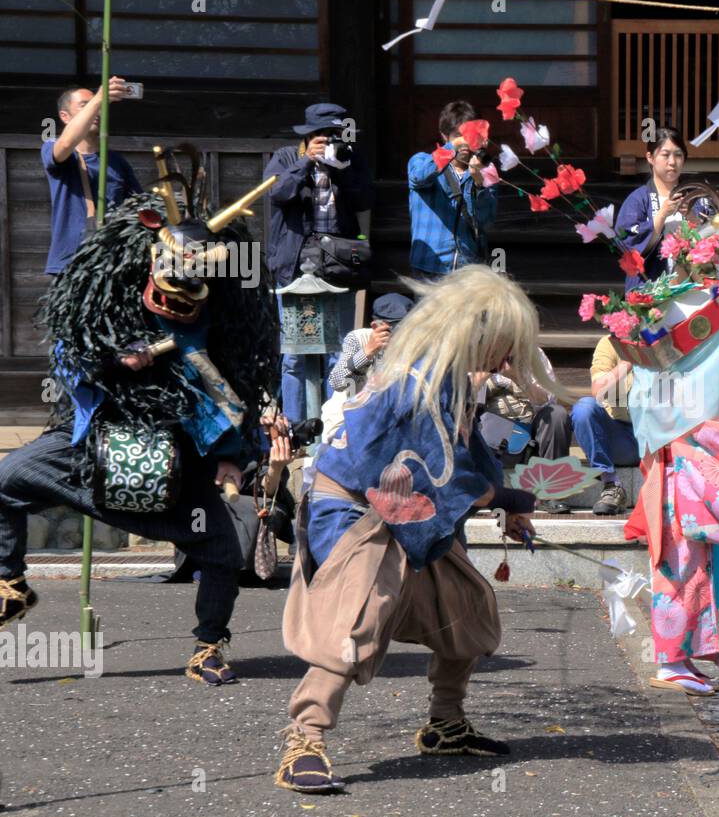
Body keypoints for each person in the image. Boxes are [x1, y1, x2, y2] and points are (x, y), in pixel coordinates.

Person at [0, 157, 280, 685]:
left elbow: (234, 391)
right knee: (7, 479)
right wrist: (114, 359)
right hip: (98, 442)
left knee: (222, 548)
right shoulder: (112, 304)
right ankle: (10, 583)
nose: (179, 298)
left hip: (180, 455)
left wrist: (230, 458)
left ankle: (208, 646)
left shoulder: (220, 326)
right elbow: (68, 357)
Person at [275, 265, 550, 794]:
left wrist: (508, 506)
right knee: (357, 619)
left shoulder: (455, 379)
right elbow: (444, 473)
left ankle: (446, 724)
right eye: (504, 344)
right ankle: (304, 737)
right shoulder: (419, 374)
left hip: (407, 506)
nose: (507, 357)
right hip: (355, 505)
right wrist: (511, 498)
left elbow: (468, 453)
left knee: (465, 607)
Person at [264, 103, 375, 422]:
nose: (330, 141)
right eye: (324, 135)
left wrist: (345, 169)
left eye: (335, 135)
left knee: (338, 352)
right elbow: (277, 194)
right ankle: (294, 429)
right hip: (296, 266)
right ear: (309, 135)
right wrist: (305, 162)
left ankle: (335, 425)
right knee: (294, 357)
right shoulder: (285, 157)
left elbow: (366, 200)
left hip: (338, 265)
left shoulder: (348, 158)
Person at [42, 80, 142, 277]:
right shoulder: (52, 147)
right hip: (69, 264)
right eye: (84, 105)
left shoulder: (116, 162)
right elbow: (67, 143)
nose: (96, 110)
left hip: (111, 264)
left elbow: (139, 207)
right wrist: (98, 98)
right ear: (65, 116)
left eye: (99, 106)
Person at [473, 349, 574, 513]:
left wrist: (517, 377)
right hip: (490, 431)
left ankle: (552, 494)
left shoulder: (534, 353)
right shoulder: (478, 351)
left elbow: (547, 399)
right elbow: (465, 399)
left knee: (556, 414)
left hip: (529, 429)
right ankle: (474, 491)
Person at [613, 126, 711, 291]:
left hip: (695, 287)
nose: (672, 162)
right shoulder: (638, 200)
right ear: (650, 157)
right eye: (665, 155)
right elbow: (627, 245)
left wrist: (692, 218)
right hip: (652, 289)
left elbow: (717, 241)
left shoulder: (697, 198)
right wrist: (661, 215)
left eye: (678, 155)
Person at [408, 101, 498, 279]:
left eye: (471, 136)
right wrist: (451, 149)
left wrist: (479, 184)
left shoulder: (486, 170)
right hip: (430, 266)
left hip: (469, 271)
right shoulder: (421, 160)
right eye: (458, 135)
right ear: (444, 135)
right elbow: (419, 177)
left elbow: (486, 221)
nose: (465, 142)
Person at [573, 335, 641, 515]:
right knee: (584, 408)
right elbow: (598, 389)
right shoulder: (609, 343)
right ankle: (611, 485)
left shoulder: (664, 339)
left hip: (657, 435)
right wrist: (628, 361)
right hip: (623, 438)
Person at [327, 292, 414, 397]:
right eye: (394, 327)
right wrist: (366, 353)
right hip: (355, 407)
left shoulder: (417, 342)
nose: (401, 333)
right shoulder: (358, 338)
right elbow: (336, 383)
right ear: (375, 326)